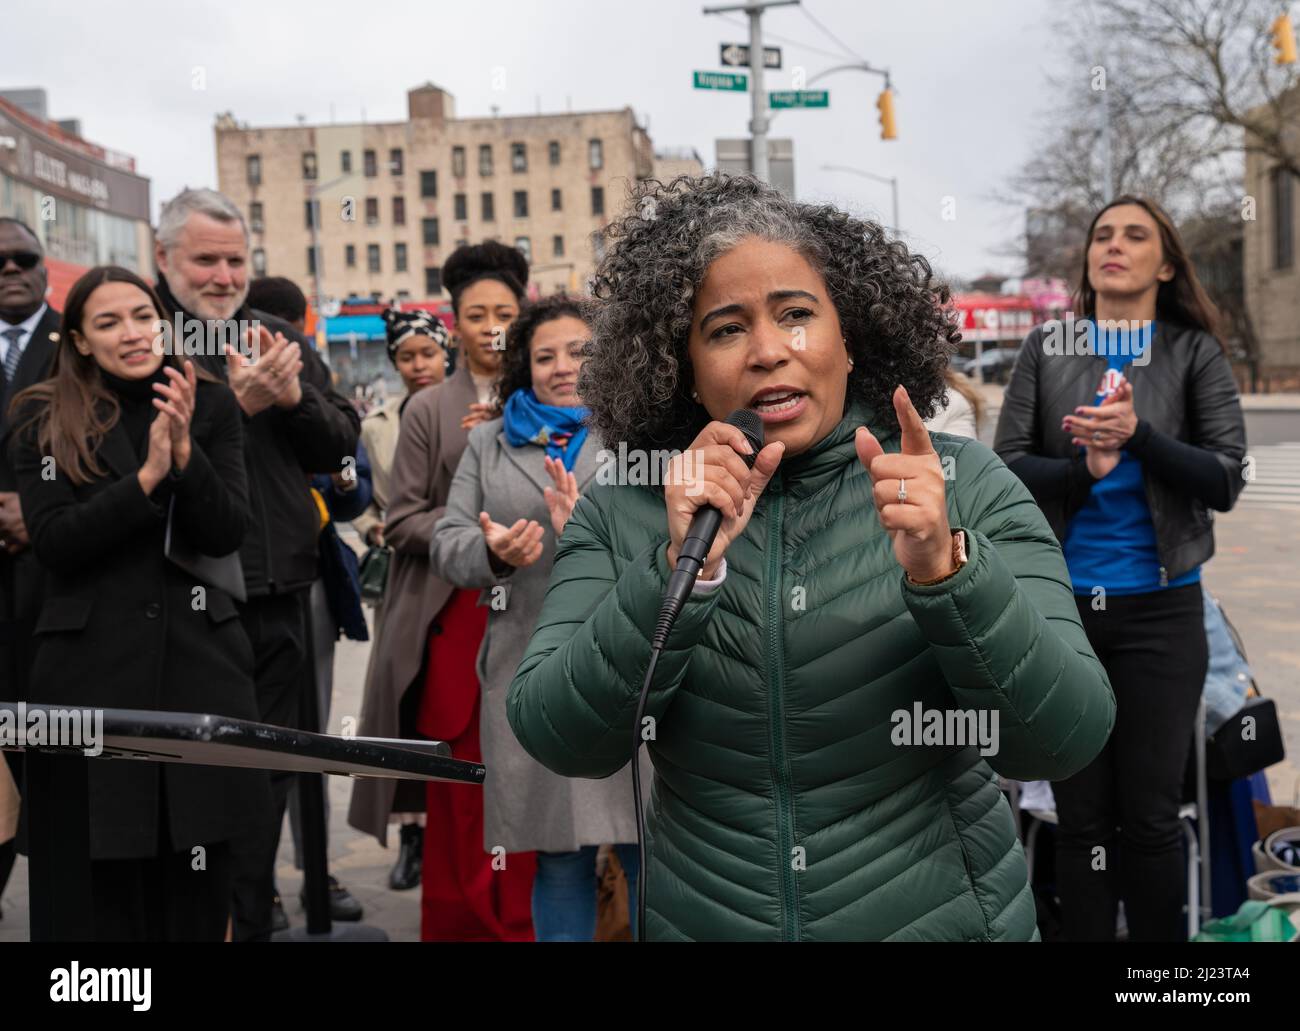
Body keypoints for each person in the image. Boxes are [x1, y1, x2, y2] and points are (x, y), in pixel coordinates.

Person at [506, 173, 1115, 942]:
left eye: (796, 314)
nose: (768, 351)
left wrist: (949, 572)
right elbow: (563, 736)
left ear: (850, 335)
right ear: (679, 365)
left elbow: (1064, 736)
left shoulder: (957, 483)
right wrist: (674, 570)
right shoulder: (626, 506)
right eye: (725, 329)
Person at [994, 195, 1248, 942]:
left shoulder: (1192, 352)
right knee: (1081, 823)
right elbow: (1005, 471)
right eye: (1103, 234)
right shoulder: (1049, 347)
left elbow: (1226, 479)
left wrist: (1138, 438)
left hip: (1164, 619)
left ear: (1165, 264)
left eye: (1136, 235)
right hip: (1062, 615)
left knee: (1149, 819)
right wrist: (1086, 467)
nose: (1114, 244)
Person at [10, 265, 271, 940]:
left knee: (196, 886)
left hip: (199, 676)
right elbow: (57, 542)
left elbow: (227, 530)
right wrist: (149, 479)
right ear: (80, 341)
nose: (133, 333)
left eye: (142, 315)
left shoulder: (206, 403)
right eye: (108, 322)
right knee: (98, 904)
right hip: (88, 678)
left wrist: (186, 455)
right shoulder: (43, 412)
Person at [153, 188, 361, 941]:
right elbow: (138, 475)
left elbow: (342, 449)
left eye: (235, 260)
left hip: (287, 595)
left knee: (278, 777)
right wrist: (232, 407)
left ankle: (260, 914)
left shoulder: (278, 337)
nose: (221, 275)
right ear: (163, 259)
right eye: (204, 259)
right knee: (208, 786)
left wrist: (292, 396)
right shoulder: (138, 340)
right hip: (190, 600)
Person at [430, 295, 647, 940]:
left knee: (648, 852)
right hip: (535, 668)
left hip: (632, 666)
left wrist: (596, 532)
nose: (561, 367)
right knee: (559, 858)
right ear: (523, 366)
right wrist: (492, 554)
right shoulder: (488, 443)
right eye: (543, 355)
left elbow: (681, 540)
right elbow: (446, 542)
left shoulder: (643, 432)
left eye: (578, 351)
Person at [347, 240, 535, 941]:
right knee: (462, 787)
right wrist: (477, 538)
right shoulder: (429, 411)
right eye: (476, 314)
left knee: (534, 776)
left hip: (540, 611)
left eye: (505, 314)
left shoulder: (550, 394)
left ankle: (530, 921)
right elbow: (400, 519)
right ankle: (460, 923)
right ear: (452, 323)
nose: (492, 328)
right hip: (454, 614)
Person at [350, 307, 449, 891]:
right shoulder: (376, 424)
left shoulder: (475, 411)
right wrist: (373, 529)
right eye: (406, 357)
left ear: (445, 355)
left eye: (426, 354)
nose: (417, 366)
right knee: (403, 705)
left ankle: (464, 827)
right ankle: (413, 835)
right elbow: (363, 502)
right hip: (406, 577)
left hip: (465, 573)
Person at [0, 217, 60, 908]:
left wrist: (35, 511)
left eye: (25, 258)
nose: (11, 269)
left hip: (59, 585)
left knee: (53, 759)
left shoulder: (78, 339)